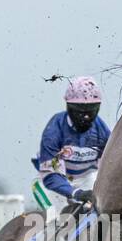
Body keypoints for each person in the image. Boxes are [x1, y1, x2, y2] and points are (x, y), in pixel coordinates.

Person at [32, 76, 111, 218]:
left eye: (91, 110)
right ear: (69, 107)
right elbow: (51, 176)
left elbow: (112, 166)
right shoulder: (54, 131)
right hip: (49, 183)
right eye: (81, 111)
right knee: (56, 221)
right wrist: (75, 193)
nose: (86, 117)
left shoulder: (102, 131)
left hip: (85, 180)